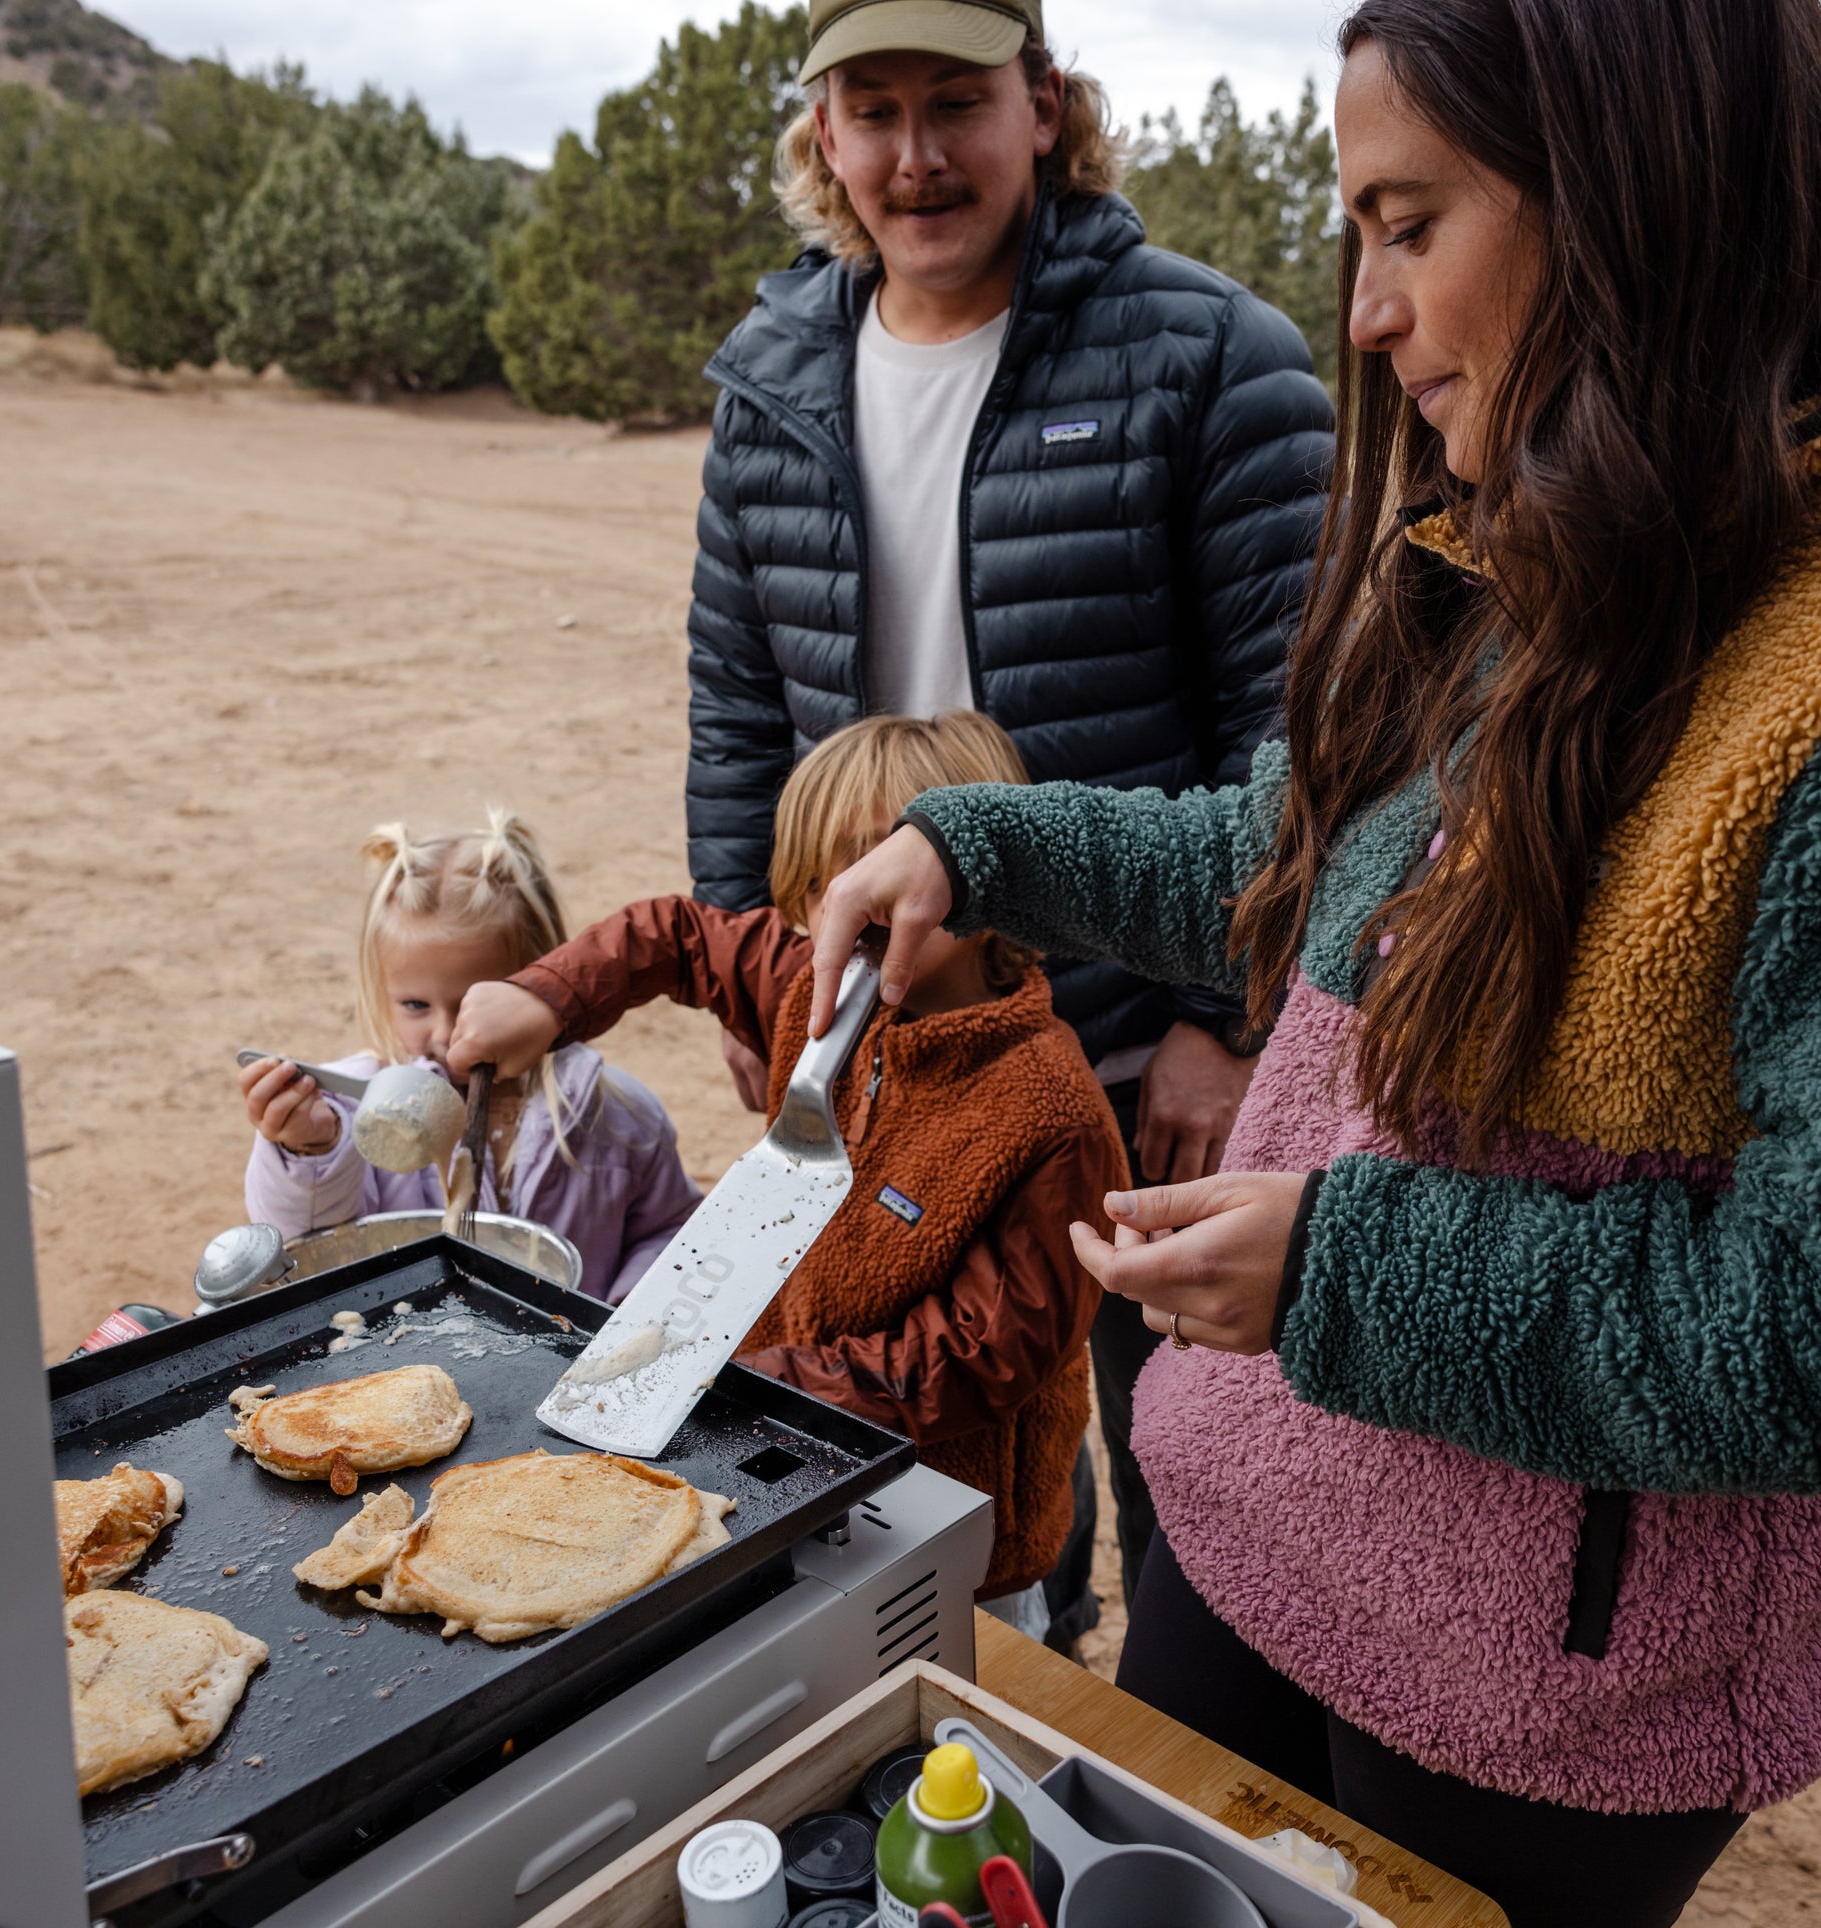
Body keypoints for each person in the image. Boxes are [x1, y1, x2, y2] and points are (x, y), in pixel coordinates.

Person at [802, 0, 1821, 1918]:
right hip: (1254, 1529)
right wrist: (986, 840)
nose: (1364, 311)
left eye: (1408, 222)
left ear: (1628, 202)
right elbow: (1292, 873)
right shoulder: (1514, 560)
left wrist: (1348, 1267)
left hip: (1544, 1702)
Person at [685, 0, 1335, 1638]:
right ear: (821, 132)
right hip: (890, 1041)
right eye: (874, 108)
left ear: (1043, 104)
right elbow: (736, 712)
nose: (917, 156)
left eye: (958, 102)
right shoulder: (768, 382)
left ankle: (1188, 1775)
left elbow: (1309, 732)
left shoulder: (1210, 353)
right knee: (944, 1430)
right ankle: (997, 1717)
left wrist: (1221, 1017)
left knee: (1201, 1449)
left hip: (1131, 1034)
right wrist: (764, 977)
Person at [448, 714, 1124, 1636]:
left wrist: (766, 1386)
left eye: (884, 876)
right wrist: (550, 994)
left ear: (988, 875)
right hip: (790, 1466)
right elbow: (678, 934)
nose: (846, 917)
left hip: (959, 1538)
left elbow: (984, 1351)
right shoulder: (813, 981)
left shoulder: (1048, 1109)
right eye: (824, 886)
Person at [238, 809, 701, 1304]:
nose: (445, 1033)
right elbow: (309, 1253)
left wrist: (628, 1312)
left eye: (472, 1004)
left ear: (544, 984)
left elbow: (670, 1230)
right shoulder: (348, 1115)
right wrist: (310, 1151)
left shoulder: (617, 1115)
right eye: (415, 1005)